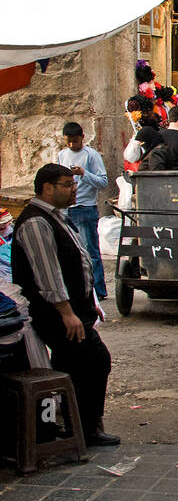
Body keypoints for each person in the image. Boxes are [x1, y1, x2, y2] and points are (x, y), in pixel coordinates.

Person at [10, 164, 118, 447]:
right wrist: (67, 313)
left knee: (73, 364)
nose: (74, 189)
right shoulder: (36, 222)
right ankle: (83, 428)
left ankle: (73, 425)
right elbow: (49, 275)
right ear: (48, 188)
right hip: (54, 314)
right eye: (68, 184)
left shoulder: (55, 217)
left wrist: (88, 302)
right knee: (95, 360)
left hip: (73, 309)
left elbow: (76, 264)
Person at [57, 122, 108, 305]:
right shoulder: (62, 155)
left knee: (91, 252)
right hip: (66, 209)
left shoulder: (91, 156)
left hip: (86, 208)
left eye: (75, 141)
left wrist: (84, 173)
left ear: (82, 138)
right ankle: (79, 289)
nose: (71, 145)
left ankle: (98, 291)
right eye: (68, 141)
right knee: (70, 253)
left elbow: (103, 182)